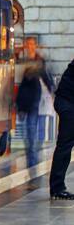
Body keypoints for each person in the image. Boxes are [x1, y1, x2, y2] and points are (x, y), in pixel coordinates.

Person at [16, 36, 54, 169]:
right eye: (28, 44)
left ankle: (32, 159)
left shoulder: (39, 60)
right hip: (23, 97)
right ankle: (31, 155)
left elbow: (45, 76)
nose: (30, 46)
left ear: (35, 45)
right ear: (26, 45)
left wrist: (52, 91)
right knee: (27, 129)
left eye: (32, 44)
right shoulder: (21, 60)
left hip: (33, 96)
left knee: (31, 127)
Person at [49, 58, 74, 200]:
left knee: (65, 145)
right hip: (67, 103)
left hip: (67, 101)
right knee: (65, 145)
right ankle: (57, 188)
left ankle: (57, 187)